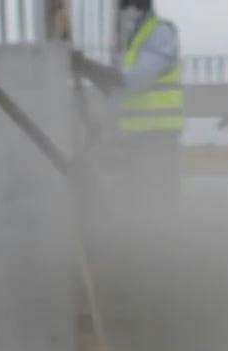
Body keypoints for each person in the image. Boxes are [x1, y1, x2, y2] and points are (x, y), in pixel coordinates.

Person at [71, 0, 183, 208]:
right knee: (137, 205)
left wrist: (85, 66)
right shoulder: (133, 40)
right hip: (136, 139)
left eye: (123, 4)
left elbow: (131, 81)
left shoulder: (160, 34)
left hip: (157, 138)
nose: (119, 8)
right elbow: (115, 88)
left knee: (155, 208)